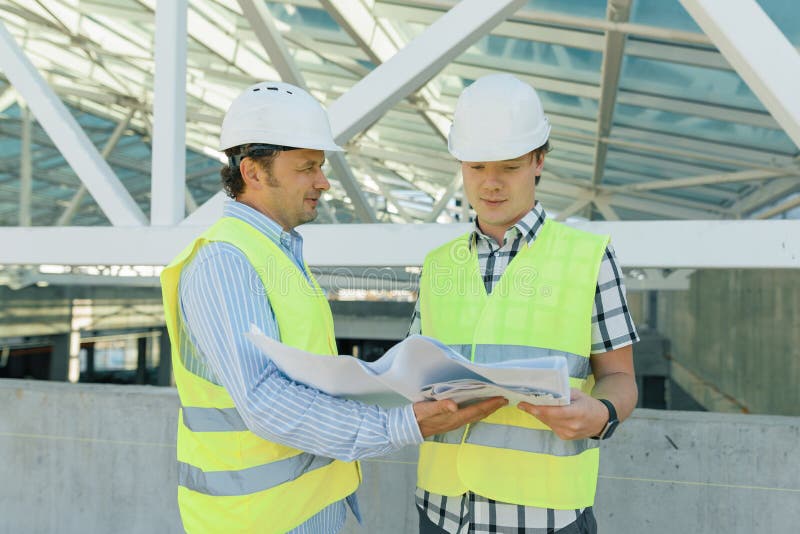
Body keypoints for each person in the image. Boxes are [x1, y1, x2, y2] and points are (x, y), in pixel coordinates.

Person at [160, 81, 507, 534]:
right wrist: (400, 425)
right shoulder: (225, 262)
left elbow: (307, 378)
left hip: (303, 509)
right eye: (308, 168)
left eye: (320, 167)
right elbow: (265, 400)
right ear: (254, 172)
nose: (323, 182)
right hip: (260, 521)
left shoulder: (275, 255)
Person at [409, 73, 639, 534]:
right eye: (476, 168)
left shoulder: (588, 257)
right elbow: (415, 372)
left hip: (544, 515)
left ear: (538, 160)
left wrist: (602, 414)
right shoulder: (438, 264)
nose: (490, 184)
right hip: (442, 510)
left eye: (508, 168)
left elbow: (619, 377)